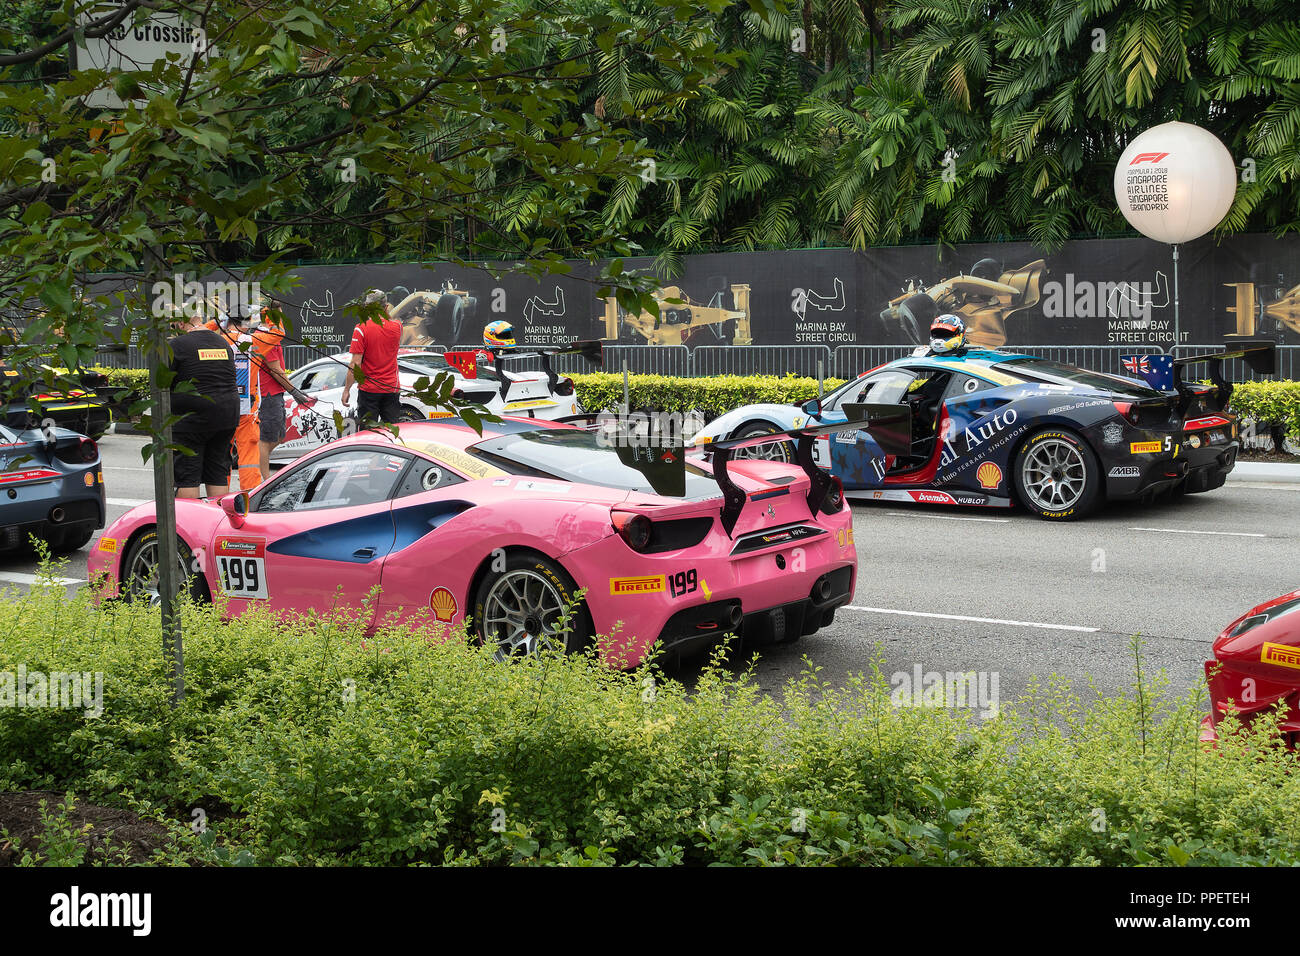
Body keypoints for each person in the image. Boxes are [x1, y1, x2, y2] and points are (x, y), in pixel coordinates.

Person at [167, 303, 240, 499]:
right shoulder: (222, 342)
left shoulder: (177, 345)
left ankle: (188, 526)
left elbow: (162, 383)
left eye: (173, 323)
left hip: (192, 421)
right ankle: (216, 522)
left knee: (187, 475)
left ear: (181, 322)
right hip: (226, 417)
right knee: (217, 472)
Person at [252, 307, 313, 484]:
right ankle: (264, 480)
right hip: (268, 394)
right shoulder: (266, 338)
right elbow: (275, 370)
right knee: (265, 439)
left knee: (279, 437)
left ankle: (262, 472)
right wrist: (294, 391)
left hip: (274, 392)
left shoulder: (269, 336)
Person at [342, 289, 403, 425]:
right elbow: (388, 320)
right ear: (386, 306)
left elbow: (355, 364)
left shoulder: (361, 329)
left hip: (369, 389)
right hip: (391, 388)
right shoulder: (398, 327)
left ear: (367, 307)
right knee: (392, 431)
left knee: (368, 434)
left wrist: (346, 389)